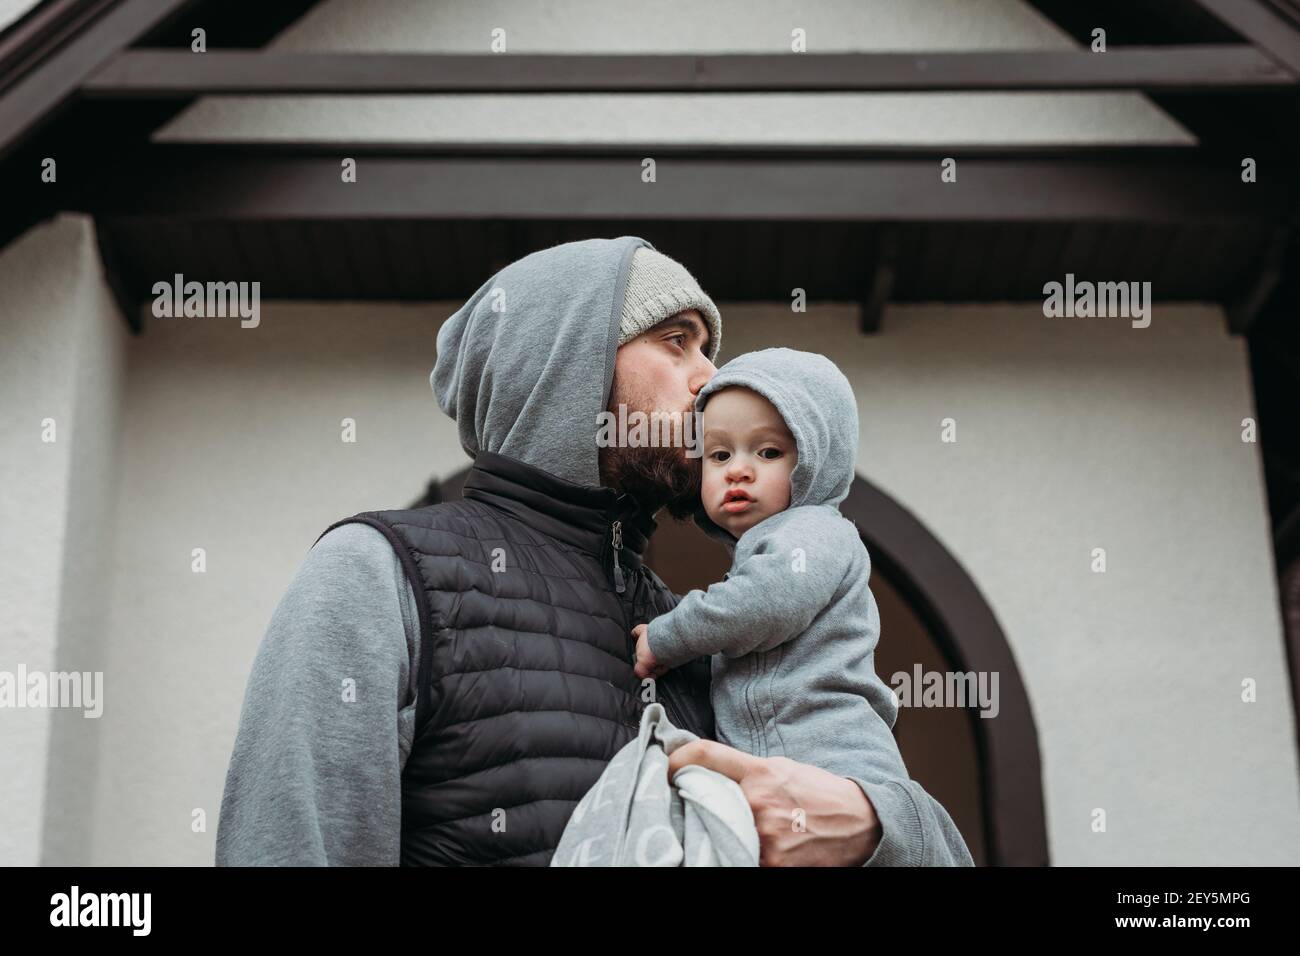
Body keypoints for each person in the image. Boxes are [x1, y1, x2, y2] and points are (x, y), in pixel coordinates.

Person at [214, 236, 973, 866]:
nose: (712, 378)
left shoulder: (703, 632)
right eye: (677, 341)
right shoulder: (378, 573)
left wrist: (872, 824)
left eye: (709, 348)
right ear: (562, 364)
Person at [634, 347, 906, 789]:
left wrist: (665, 637)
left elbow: (760, 606)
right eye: (719, 455)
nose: (738, 470)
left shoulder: (815, 531)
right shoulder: (768, 549)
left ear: (817, 459)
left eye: (768, 451)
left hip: (833, 756)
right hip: (792, 760)